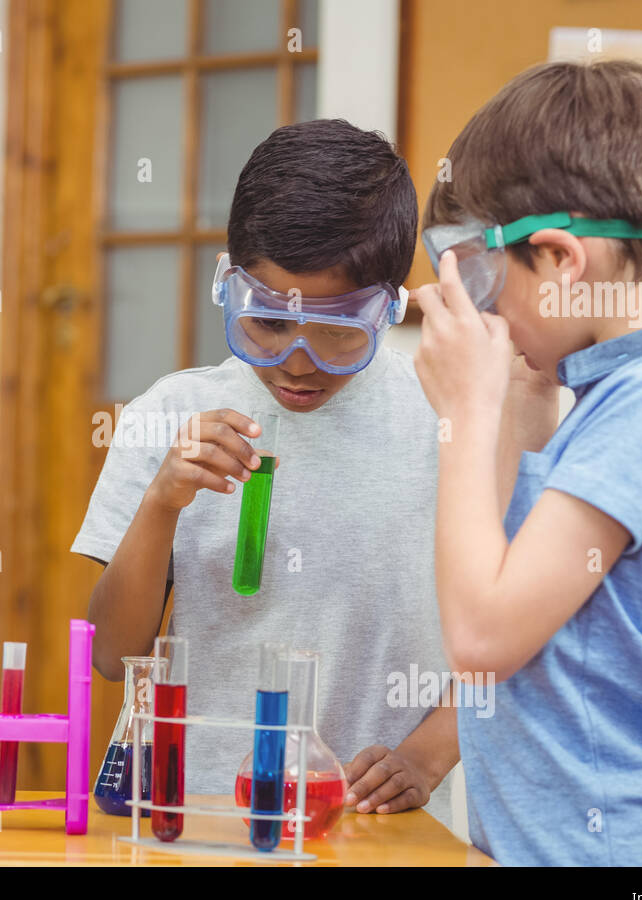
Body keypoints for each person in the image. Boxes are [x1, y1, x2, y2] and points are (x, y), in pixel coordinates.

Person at [74, 119, 482, 822]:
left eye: (336, 329)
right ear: (228, 285)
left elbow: (513, 637)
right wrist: (160, 504)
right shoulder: (170, 413)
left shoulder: (447, 419)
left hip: (370, 823)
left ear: (389, 304)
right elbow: (113, 656)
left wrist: (427, 755)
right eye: (268, 322)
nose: (299, 360)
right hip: (188, 814)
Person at [413, 59, 642, 865]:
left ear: (565, 261)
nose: (487, 310)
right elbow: (531, 601)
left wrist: (467, 413)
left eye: (488, 277)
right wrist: (519, 414)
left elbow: (483, 638)